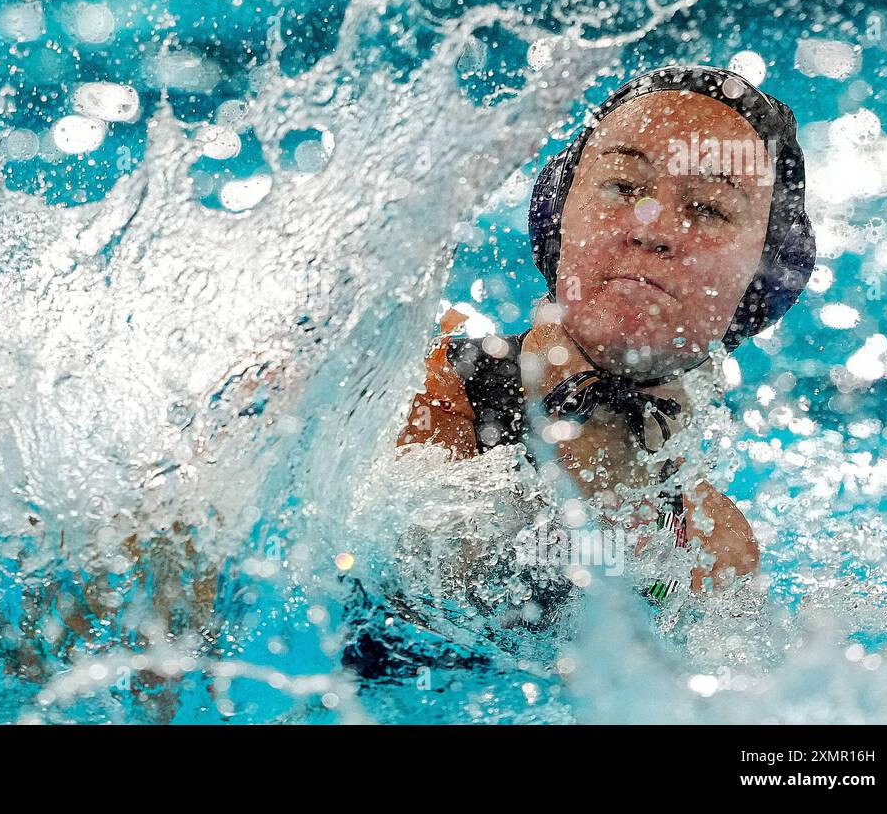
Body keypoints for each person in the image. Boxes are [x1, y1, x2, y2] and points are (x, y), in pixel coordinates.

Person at [344, 65, 815, 679]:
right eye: (622, 186)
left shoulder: (714, 544)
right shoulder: (435, 388)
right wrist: (577, 422)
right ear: (559, 218)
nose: (654, 228)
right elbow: (412, 594)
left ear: (762, 279)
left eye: (707, 207)